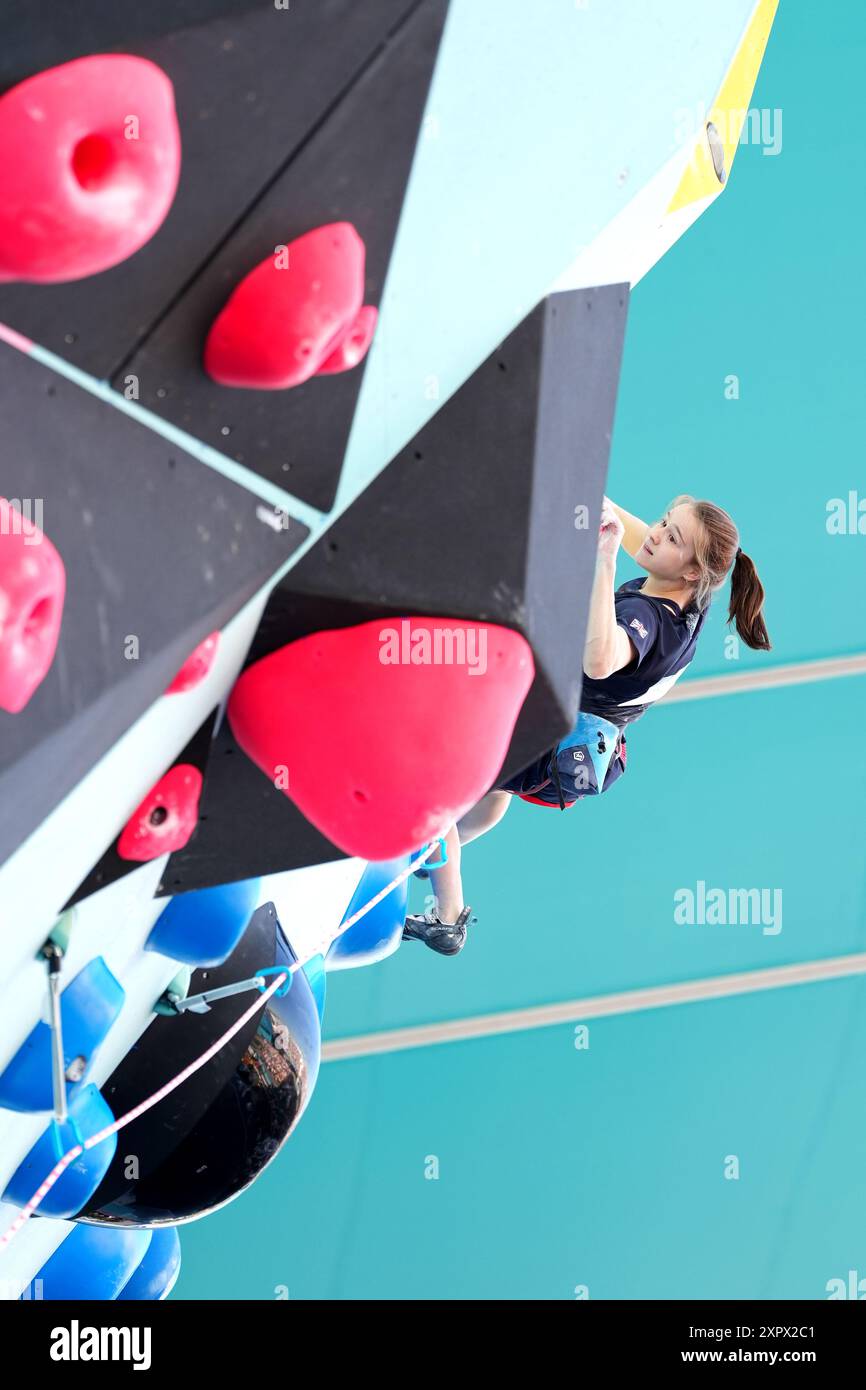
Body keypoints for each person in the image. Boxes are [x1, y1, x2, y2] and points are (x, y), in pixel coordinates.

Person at [402, 493, 771, 956]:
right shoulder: (689, 599)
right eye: (663, 520)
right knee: (495, 796)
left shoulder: (647, 618)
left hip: (552, 740)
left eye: (671, 535)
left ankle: (448, 915)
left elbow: (599, 660)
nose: (656, 534)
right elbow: (625, 526)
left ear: (693, 570)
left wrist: (603, 562)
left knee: (435, 795)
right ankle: (436, 857)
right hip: (578, 755)